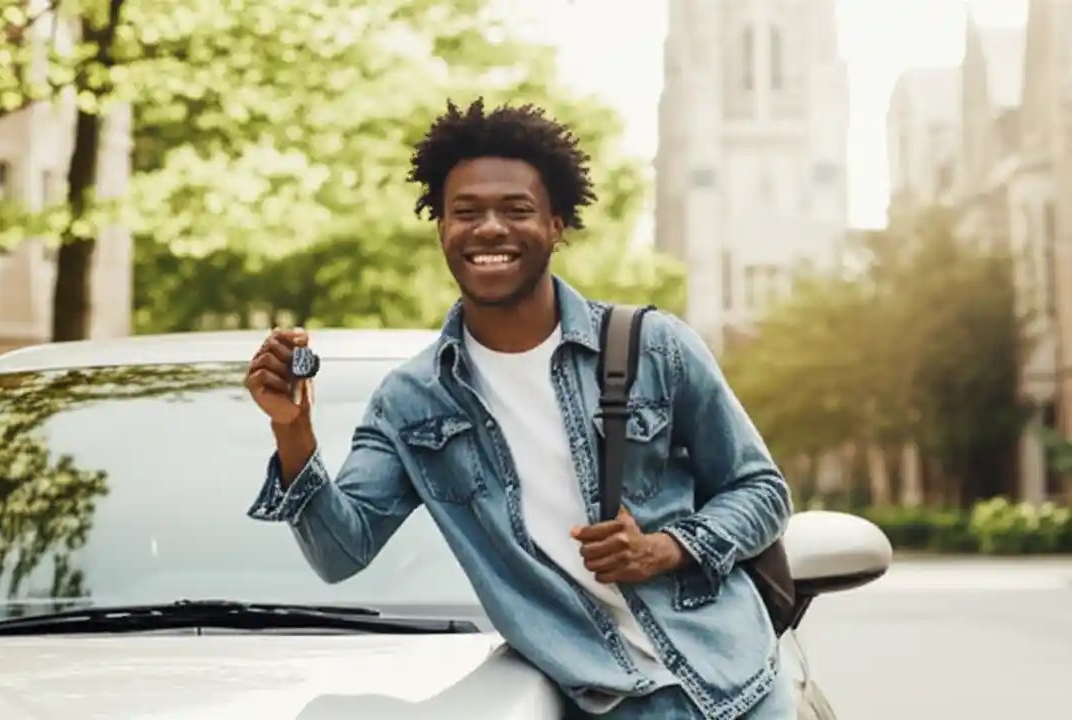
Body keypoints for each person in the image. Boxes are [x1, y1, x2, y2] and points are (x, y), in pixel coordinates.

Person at [243, 98, 796, 720]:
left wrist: (665, 548)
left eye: (516, 210)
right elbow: (341, 554)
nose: (490, 229)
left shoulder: (653, 347)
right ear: (442, 229)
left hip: (738, 686)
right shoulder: (412, 402)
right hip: (601, 703)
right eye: (466, 212)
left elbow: (761, 490)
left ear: (557, 224)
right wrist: (293, 433)